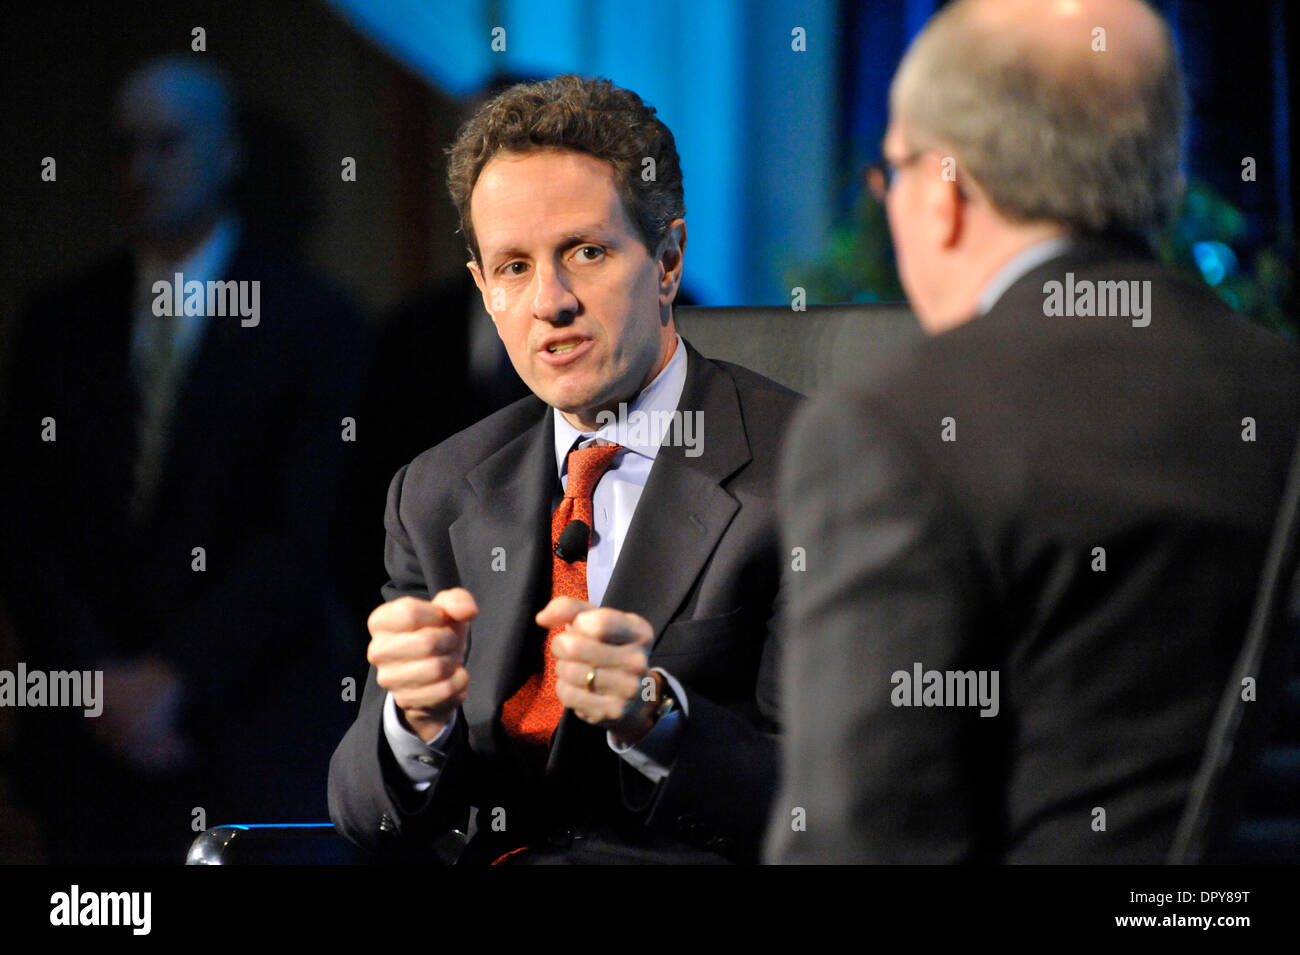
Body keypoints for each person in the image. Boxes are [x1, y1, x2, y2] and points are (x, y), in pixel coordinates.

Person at [767, 0, 1300, 863]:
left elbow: (857, 840)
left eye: (893, 169)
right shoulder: (1280, 388)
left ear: (944, 190)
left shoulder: (890, 429)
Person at [328, 75, 799, 864]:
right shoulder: (436, 492)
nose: (550, 301)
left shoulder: (809, 472)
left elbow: (835, 802)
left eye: (585, 252)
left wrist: (658, 717)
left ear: (668, 260)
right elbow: (361, 814)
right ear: (483, 291)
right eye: (513, 267)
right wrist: (412, 721)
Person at [1, 56, 364, 863]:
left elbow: (304, 534)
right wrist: (99, 685)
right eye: (124, 147)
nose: (141, 169)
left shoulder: (314, 319)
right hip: (88, 759)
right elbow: (23, 526)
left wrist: (171, 682)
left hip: (251, 744)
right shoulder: (57, 320)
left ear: (227, 151)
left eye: (167, 143)